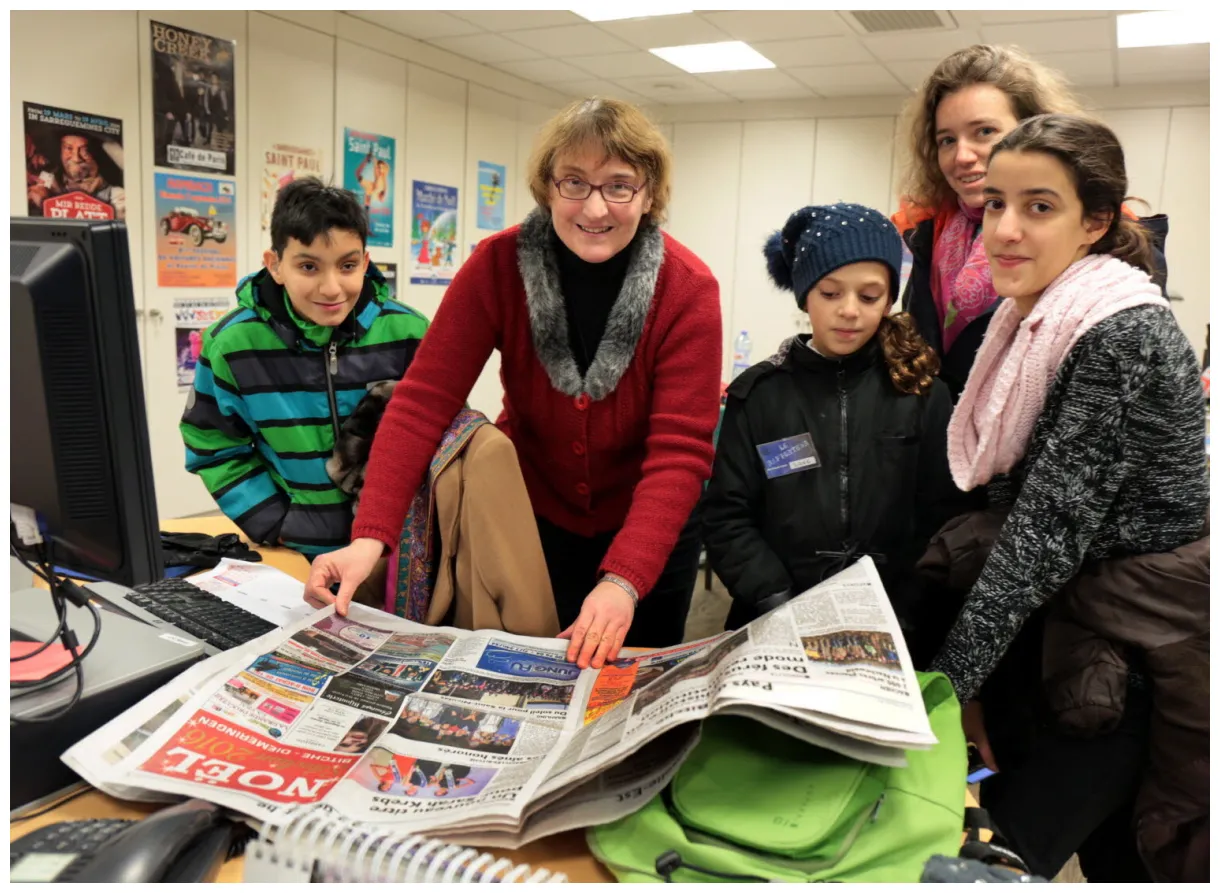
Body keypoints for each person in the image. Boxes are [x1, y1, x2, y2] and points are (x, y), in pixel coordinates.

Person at [305, 98, 722, 670]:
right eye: (574, 181)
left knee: (633, 690)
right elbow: (422, 403)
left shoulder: (688, 289)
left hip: (650, 532)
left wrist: (624, 580)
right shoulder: (498, 266)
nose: (595, 207)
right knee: (532, 678)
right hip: (536, 519)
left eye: (619, 185)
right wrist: (369, 537)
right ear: (547, 188)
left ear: (649, 195)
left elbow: (680, 453)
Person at [927, 114, 1207, 881]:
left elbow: (1041, 536)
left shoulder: (1120, 334)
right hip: (1084, 628)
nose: (1006, 230)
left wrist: (941, 693)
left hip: (1137, 653)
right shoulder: (1038, 315)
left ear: (1094, 222)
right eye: (995, 204)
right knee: (1110, 847)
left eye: (1039, 206)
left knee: (1007, 851)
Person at [704, 204, 961, 647]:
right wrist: (776, 599)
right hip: (776, 618)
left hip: (895, 622)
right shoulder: (760, 396)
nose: (849, 311)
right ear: (805, 294)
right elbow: (728, 516)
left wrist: (904, 610)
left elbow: (943, 520)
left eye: (869, 296)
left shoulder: (923, 396)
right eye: (830, 293)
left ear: (889, 298)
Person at [892, 44, 1168, 400]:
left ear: (1035, 130)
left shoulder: (1110, 242)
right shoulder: (927, 234)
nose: (961, 155)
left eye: (984, 132)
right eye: (947, 139)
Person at [179, 177, 428, 554]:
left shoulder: (409, 332)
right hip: (299, 555)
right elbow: (212, 443)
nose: (331, 288)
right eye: (309, 267)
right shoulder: (231, 344)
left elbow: (444, 437)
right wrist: (274, 521)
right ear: (275, 265)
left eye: (347, 266)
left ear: (365, 262)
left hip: (397, 554)